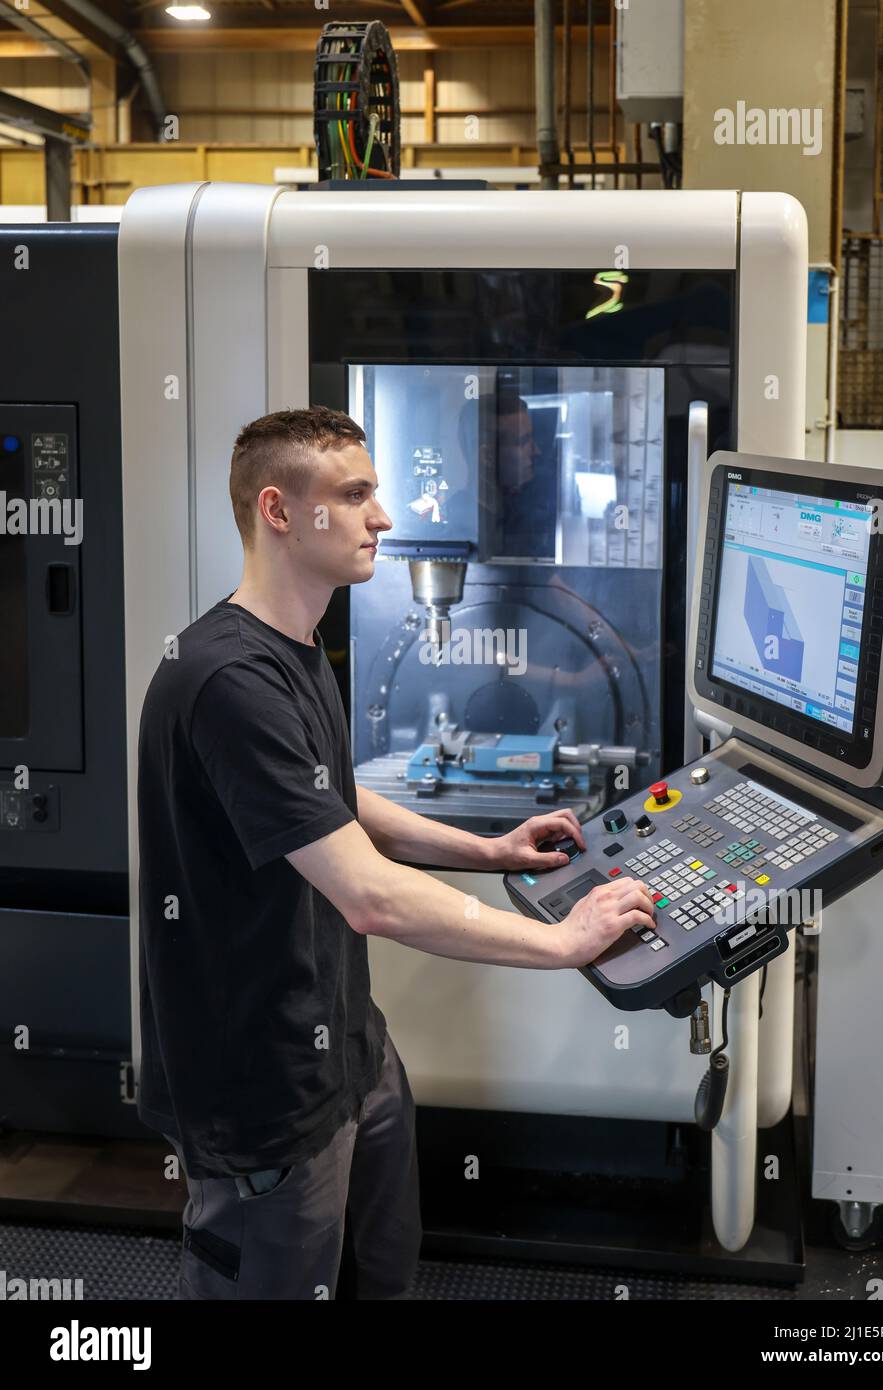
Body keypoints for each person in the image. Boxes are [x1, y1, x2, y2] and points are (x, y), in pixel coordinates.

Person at [135, 406, 655, 1301]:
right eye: (356, 494)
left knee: (381, 1270)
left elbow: (335, 799)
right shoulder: (227, 681)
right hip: (265, 1090)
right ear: (280, 511)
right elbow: (369, 897)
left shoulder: (297, 649)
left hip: (351, 1051)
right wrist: (562, 943)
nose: (383, 516)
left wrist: (489, 850)